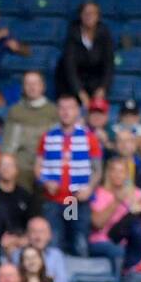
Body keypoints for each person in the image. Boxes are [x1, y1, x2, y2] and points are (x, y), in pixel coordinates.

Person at [36, 93, 102, 257]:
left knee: (78, 242)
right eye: (62, 108)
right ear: (57, 111)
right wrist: (45, 181)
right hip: (54, 200)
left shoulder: (89, 137)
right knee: (54, 243)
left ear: (77, 111)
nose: (66, 112)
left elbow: (97, 169)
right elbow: (38, 165)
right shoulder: (48, 137)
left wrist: (89, 188)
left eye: (70, 108)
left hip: (74, 200)